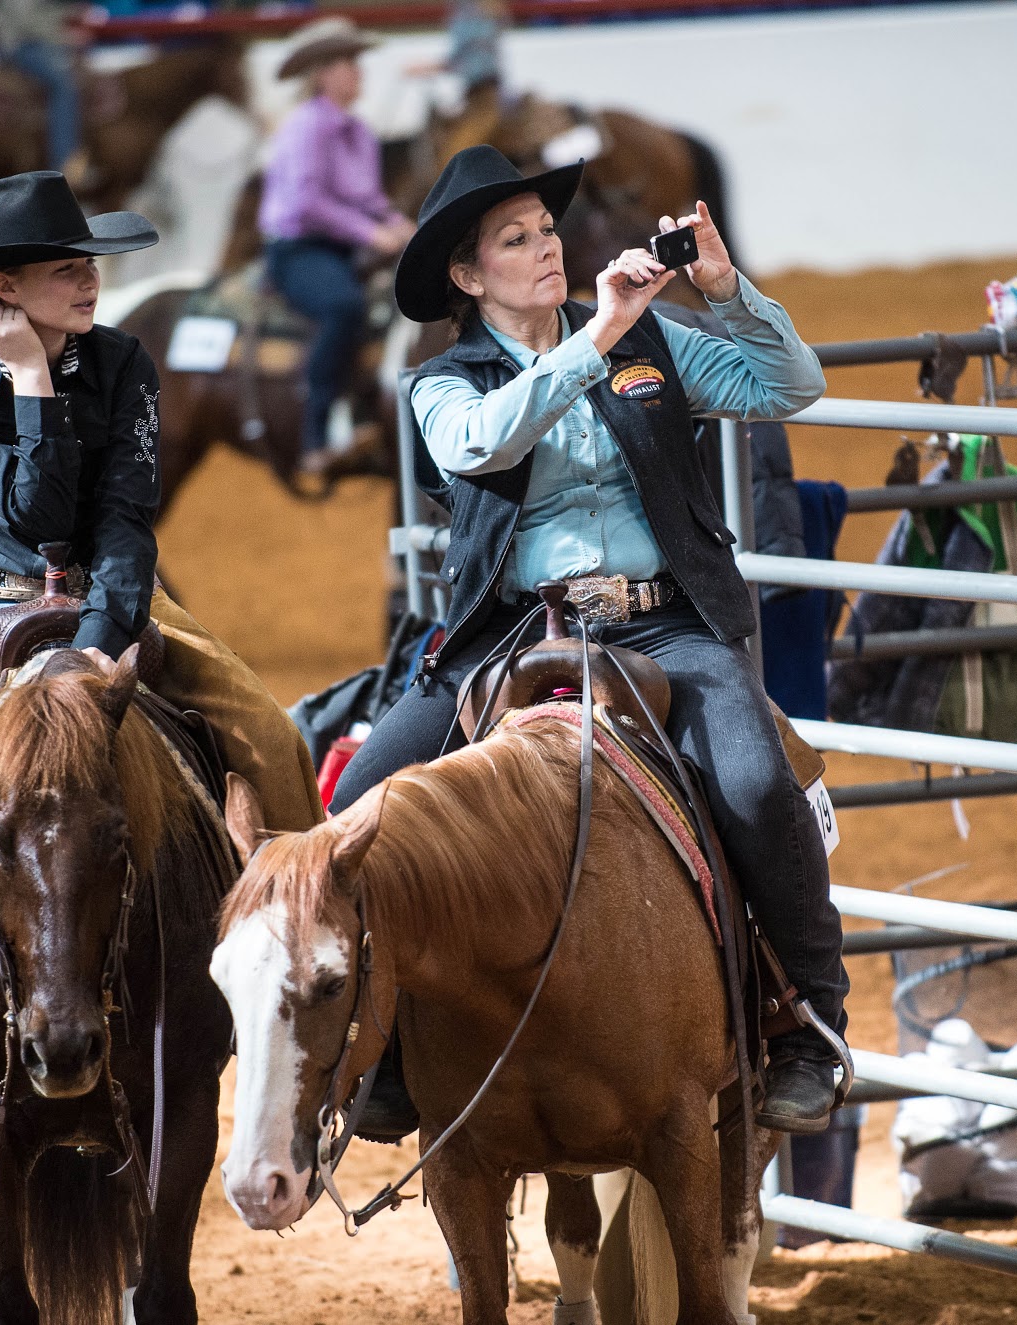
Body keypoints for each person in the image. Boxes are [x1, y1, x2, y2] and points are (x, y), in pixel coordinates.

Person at [336, 146, 849, 1134]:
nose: (545, 249)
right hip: (513, 629)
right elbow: (483, 443)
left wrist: (725, 289)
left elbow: (792, 385)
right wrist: (598, 336)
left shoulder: (651, 338)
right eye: (515, 239)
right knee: (362, 805)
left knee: (749, 779)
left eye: (546, 230)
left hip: (664, 620)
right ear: (467, 275)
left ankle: (810, 1026)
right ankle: (390, 1045)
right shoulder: (442, 383)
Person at [0, 171, 324, 1095]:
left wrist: (109, 633)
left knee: (272, 737)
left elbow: (124, 516)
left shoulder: (124, 366)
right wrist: (31, 385)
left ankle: (305, 972)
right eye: (65, 268)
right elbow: (28, 516)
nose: (89, 282)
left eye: (89, 264)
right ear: (2, 286)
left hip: (116, 597)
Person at [258, 18, 415, 474]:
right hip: (298, 248)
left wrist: (399, 223)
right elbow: (307, 203)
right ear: (323, 73)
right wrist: (371, 233)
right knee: (343, 306)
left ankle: (368, 415)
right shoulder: (306, 125)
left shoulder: (358, 131)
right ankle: (316, 434)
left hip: (341, 247)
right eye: (348, 63)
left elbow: (367, 198)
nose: (358, 72)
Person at [0, 0, 84, 174]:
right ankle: (66, 163)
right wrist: (65, 36)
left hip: (40, 41)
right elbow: (26, 22)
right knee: (63, 85)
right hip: (22, 44)